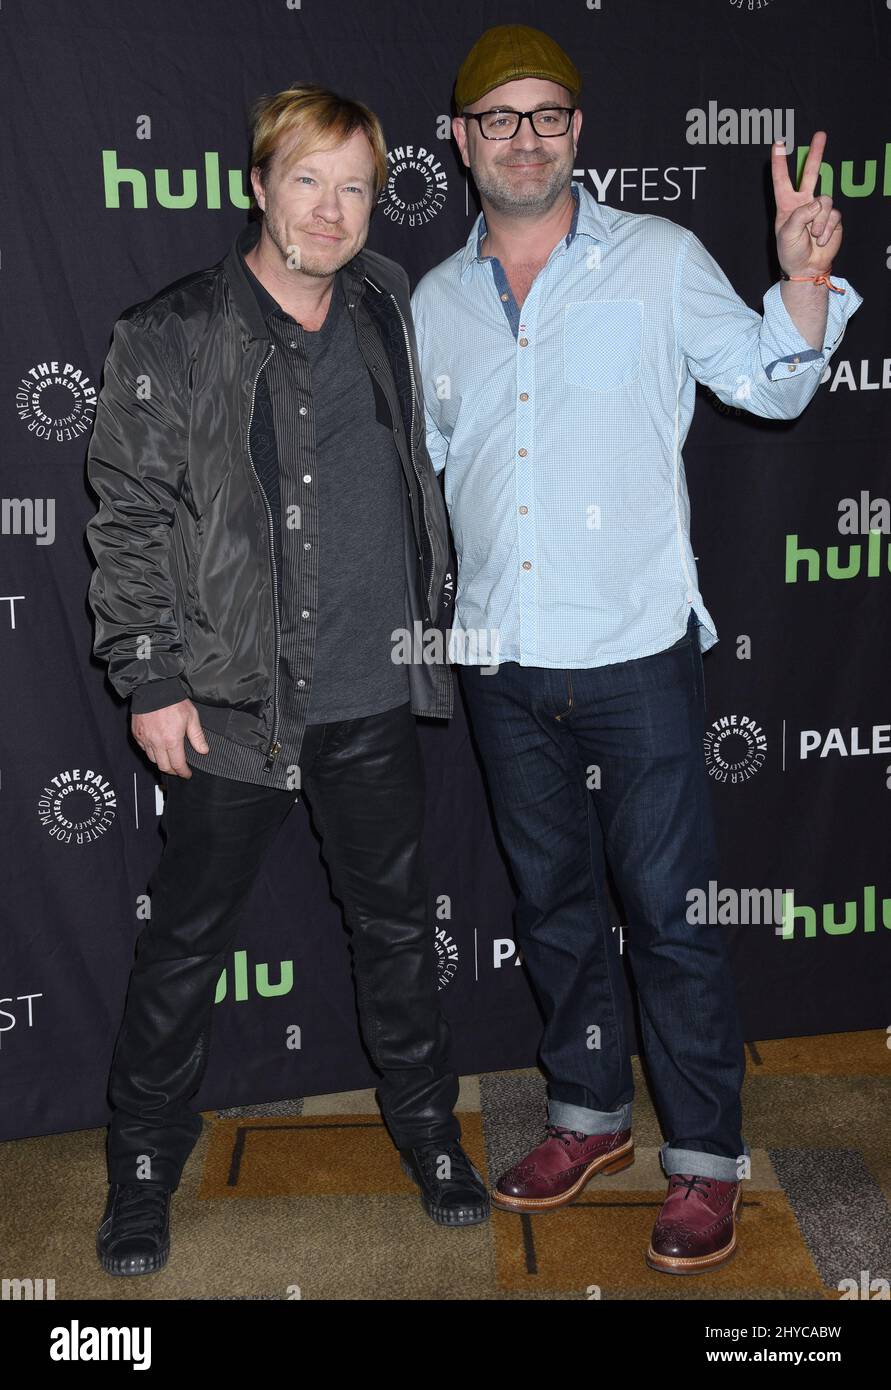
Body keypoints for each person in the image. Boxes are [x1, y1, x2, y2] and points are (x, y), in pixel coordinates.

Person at [410, 24, 862, 1273]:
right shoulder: (432, 304)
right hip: (502, 662)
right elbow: (433, 479)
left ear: (578, 131)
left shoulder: (658, 261)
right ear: (461, 141)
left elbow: (775, 385)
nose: (524, 137)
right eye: (497, 118)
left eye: (547, 114)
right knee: (553, 908)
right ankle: (588, 1116)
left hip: (640, 656)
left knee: (670, 919)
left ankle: (706, 1159)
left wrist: (803, 278)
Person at [86, 82, 489, 1278]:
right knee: (185, 949)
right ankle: (147, 1164)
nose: (331, 208)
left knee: (398, 936)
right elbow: (129, 519)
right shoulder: (171, 333)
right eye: (307, 179)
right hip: (226, 703)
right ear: (258, 186)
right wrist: (149, 674)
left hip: (374, 691)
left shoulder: (386, 299)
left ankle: (428, 1133)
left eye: (356, 185)